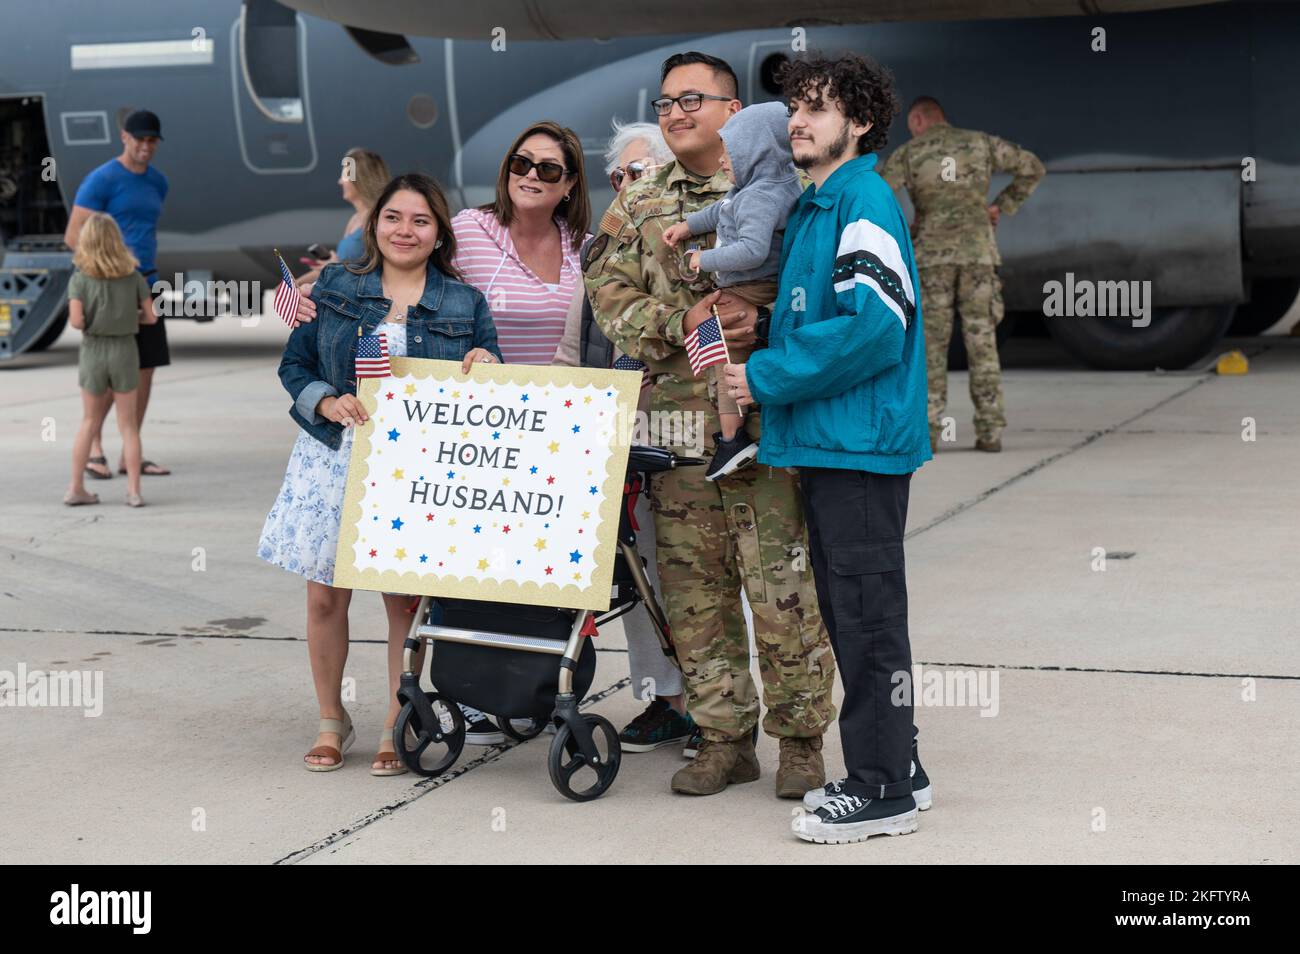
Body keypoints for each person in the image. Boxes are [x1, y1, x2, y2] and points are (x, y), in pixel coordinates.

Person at [585, 51, 837, 799]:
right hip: (677, 432)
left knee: (782, 586)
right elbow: (607, 295)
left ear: (735, 110)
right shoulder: (639, 200)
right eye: (664, 103)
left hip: (766, 423)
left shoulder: (783, 186)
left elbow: (825, 291)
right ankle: (724, 738)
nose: (675, 113)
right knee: (697, 592)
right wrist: (679, 318)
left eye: (693, 99)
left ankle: (801, 742)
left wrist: (761, 317)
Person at [724, 52, 934, 844]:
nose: (797, 120)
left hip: (860, 446)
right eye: (794, 107)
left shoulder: (862, 202)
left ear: (862, 123)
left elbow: (875, 329)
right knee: (856, 615)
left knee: (869, 618)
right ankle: (900, 765)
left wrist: (766, 374)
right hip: (831, 443)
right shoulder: (821, 206)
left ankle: (881, 790)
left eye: (818, 107)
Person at [260, 173, 502, 775]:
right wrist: (323, 399)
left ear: (439, 232)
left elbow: (491, 377)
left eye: (420, 220)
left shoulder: (463, 302)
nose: (405, 230)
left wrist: (485, 361)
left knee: (403, 601)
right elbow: (295, 365)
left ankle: (401, 720)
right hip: (335, 457)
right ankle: (330, 719)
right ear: (376, 224)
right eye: (394, 217)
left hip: (412, 467)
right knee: (324, 597)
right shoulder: (339, 285)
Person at [445, 120, 592, 743]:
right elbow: (404, 274)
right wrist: (338, 291)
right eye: (521, 164)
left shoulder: (582, 246)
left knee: (542, 572)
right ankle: (472, 696)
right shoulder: (469, 230)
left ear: (569, 184)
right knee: (475, 565)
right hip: (478, 428)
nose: (531, 176)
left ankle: (530, 691)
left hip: (556, 433)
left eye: (549, 169)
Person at [553, 119, 697, 753]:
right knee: (637, 578)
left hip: (683, 436)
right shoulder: (600, 255)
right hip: (612, 442)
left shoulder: (700, 251)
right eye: (618, 176)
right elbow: (567, 355)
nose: (625, 185)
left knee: (697, 579)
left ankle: (719, 709)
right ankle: (666, 700)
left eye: (639, 173)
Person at [878, 96, 1045, 453]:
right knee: (982, 342)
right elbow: (1031, 166)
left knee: (931, 348)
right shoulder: (981, 143)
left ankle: (930, 430)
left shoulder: (910, 153)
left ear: (919, 121)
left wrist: (904, 230)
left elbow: (879, 193)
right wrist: (1001, 205)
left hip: (931, 260)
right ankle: (990, 431)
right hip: (978, 256)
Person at [661, 101, 804, 480]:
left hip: (751, 287)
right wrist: (687, 226)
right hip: (756, 287)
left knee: (730, 364)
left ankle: (732, 439)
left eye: (730, 151)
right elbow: (722, 210)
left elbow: (753, 250)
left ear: (755, 152)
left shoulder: (760, 196)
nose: (723, 159)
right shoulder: (760, 186)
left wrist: (703, 259)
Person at [64, 109, 171, 479]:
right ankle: (94, 451)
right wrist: (106, 275)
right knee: (108, 374)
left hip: (146, 283)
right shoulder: (101, 180)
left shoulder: (158, 182)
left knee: (144, 370)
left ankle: (131, 452)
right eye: (139, 138)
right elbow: (74, 237)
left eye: (151, 140)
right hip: (111, 287)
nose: (145, 145)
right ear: (124, 137)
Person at [63, 213, 156, 508]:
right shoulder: (134, 277)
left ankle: (76, 488)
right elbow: (151, 317)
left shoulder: (79, 280)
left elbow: (76, 322)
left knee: (89, 422)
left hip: (93, 351)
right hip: (125, 350)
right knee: (128, 425)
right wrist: (130, 317)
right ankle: (133, 492)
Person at [297, 148, 391, 286]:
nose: (340, 182)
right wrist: (294, 283)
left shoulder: (376, 221)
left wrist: (336, 266)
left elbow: (378, 271)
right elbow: (339, 266)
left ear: (360, 179)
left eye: (345, 176)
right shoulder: (355, 220)